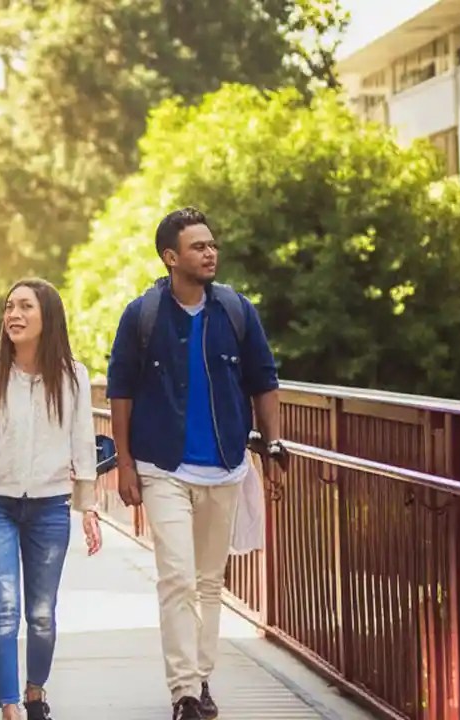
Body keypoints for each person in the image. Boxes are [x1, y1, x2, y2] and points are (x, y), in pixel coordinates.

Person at [106, 208, 285, 720]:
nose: (210, 253)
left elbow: (264, 380)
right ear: (170, 257)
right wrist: (125, 462)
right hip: (163, 464)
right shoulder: (142, 315)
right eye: (198, 246)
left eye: (212, 245)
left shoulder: (236, 311)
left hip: (226, 465)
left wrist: (272, 446)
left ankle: (202, 679)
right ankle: (183, 689)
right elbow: (120, 390)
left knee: (209, 581)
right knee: (178, 577)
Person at [0, 278, 102, 720]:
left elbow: (82, 444)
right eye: (9, 307)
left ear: (48, 317)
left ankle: (35, 691)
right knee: (4, 608)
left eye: (25, 307)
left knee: (41, 614)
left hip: (49, 507)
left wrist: (89, 507)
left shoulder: (73, 376)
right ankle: (10, 707)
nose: (14, 315)